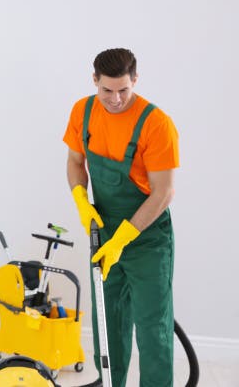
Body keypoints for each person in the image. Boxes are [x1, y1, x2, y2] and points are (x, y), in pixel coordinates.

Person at [63, 48, 178, 387]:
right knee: (108, 325)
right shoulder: (83, 112)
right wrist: (82, 202)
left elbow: (163, 192)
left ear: (135, 81)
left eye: (124, 90)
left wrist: (124, 239)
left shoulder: (156, 124)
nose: (115, 99)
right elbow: (74, 162)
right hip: (103, 231)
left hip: (147, 240)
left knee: (152, 329)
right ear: (95, 80)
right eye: (107, 90)